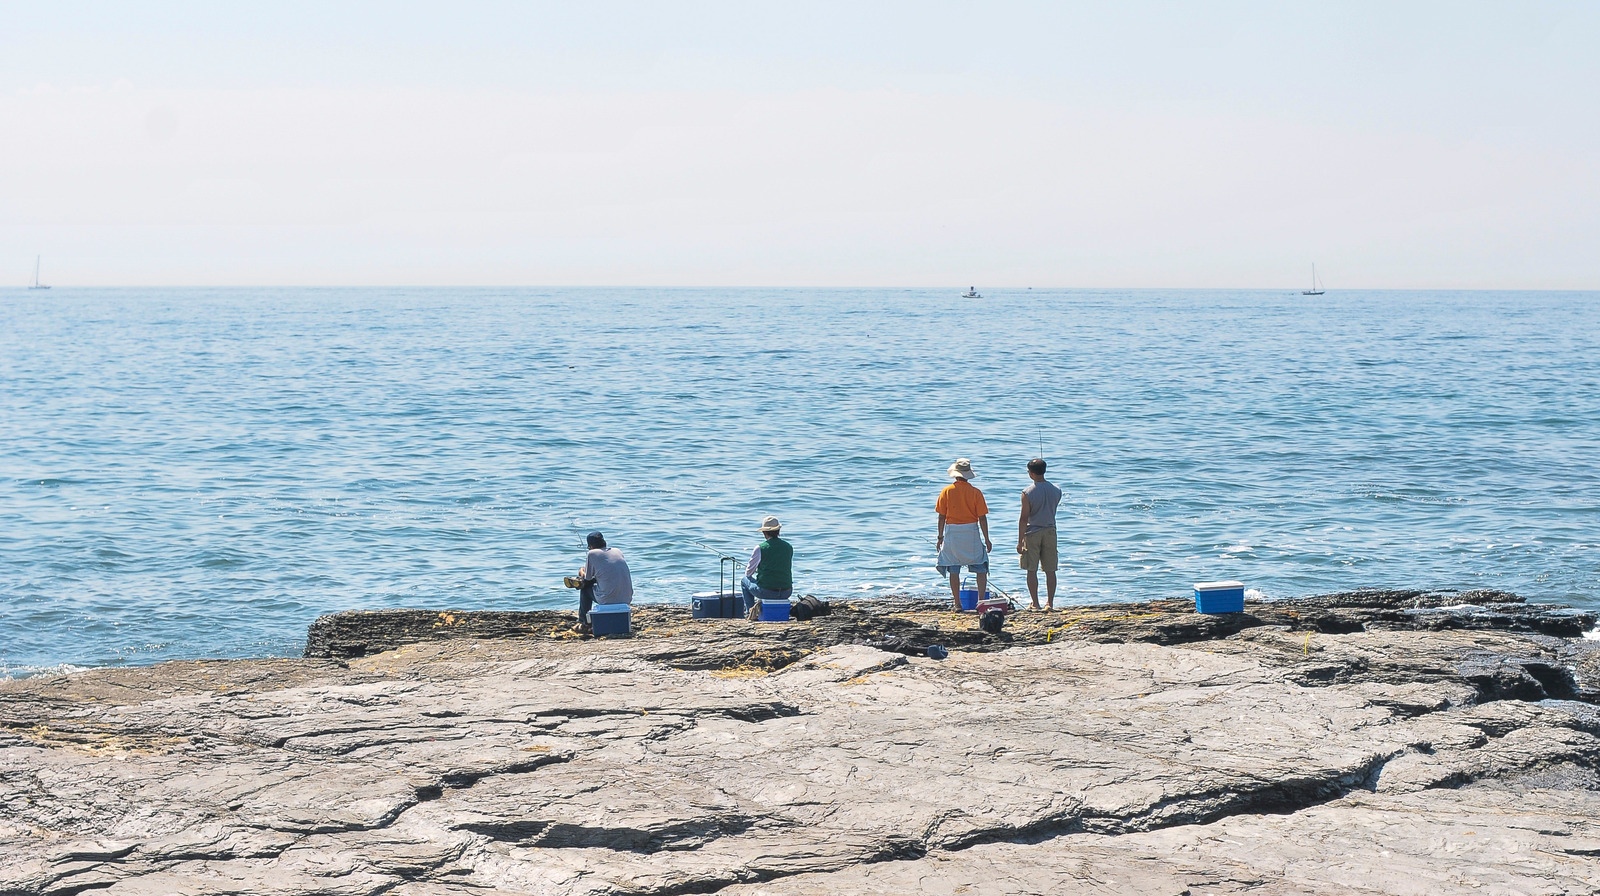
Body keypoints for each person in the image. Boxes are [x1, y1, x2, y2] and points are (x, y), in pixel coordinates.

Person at [936, 458, 992, 611]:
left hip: (952, 533)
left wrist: (940, 537)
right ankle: (981, 602)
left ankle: (957, 604)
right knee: (981, 566)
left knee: (954, 568)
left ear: (955, 475)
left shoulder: (946, 491)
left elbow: (941, 516)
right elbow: (982, 517)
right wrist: (987, 539)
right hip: (971, 532)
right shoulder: (975, 492)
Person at [1016, 457, 1063, 610]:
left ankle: (1035, 603)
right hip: (1050, 531)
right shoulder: (1056, 490)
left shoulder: (1027, 492)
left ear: (1031, 473)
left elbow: (1023, 519)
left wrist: (1019, 541)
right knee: (1050, 570)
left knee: (1031, 570)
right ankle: (1049, 603)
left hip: (1032, 532)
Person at [575, 531, 633, 634]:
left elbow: (587, 578)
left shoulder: (592, 553)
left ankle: (583, 623)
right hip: (626, 598)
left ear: (591, 546)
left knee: (584, 588)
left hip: (608, 599)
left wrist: (581, 571)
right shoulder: (617, 551)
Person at [742, 515, 793, 620]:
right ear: (778, 530)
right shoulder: (788, 547)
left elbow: (748, 573)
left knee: (744, 581)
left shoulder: (760, 548)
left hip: (767, 592)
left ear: (764, 532)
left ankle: (750, 612)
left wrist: (757, 569)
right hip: (786, 592)